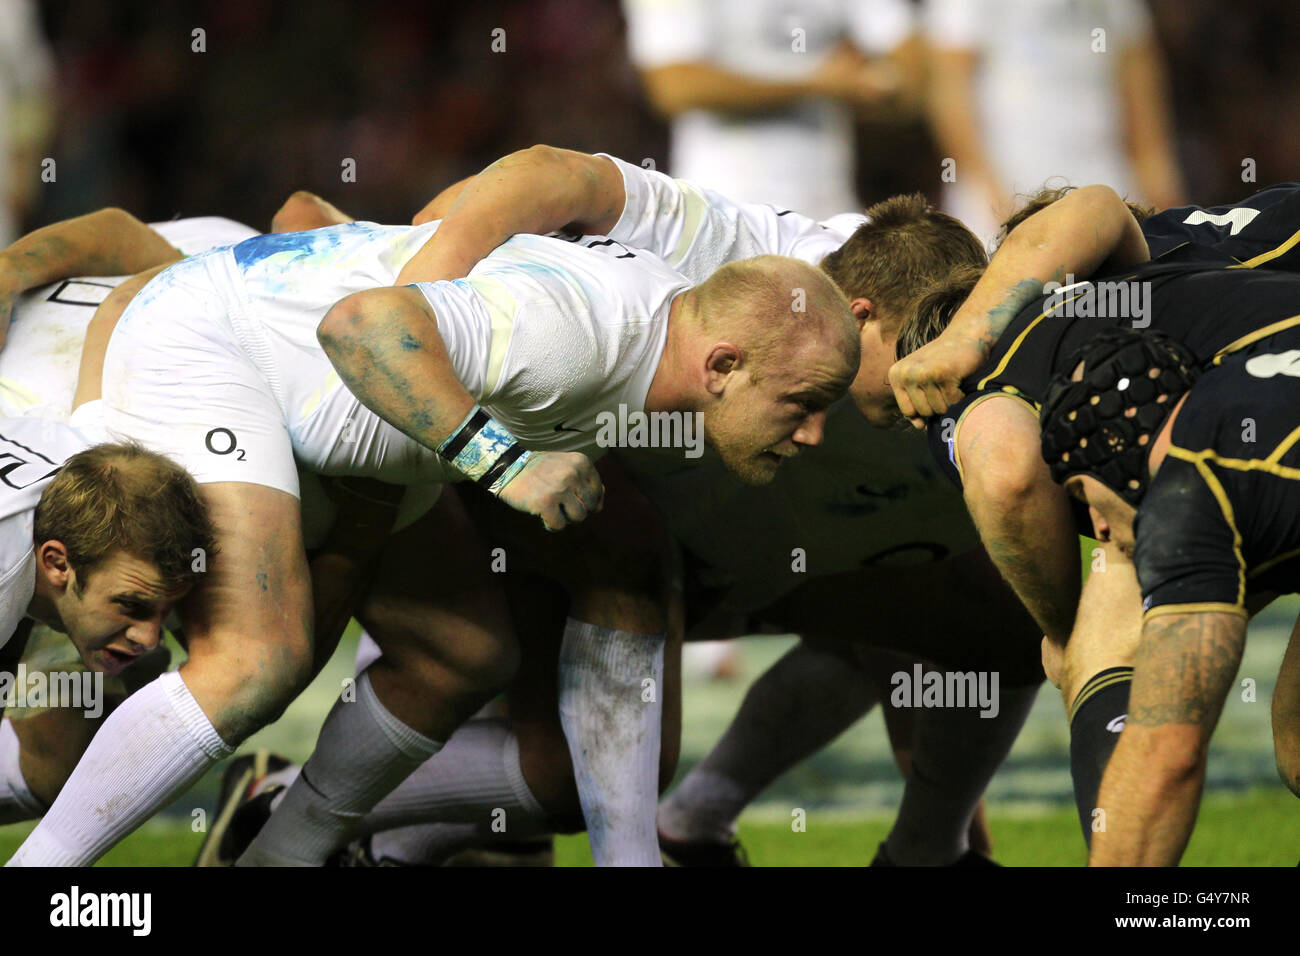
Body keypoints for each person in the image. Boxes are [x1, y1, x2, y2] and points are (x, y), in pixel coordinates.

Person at [7, 216, 857, 867]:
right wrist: (504, 462)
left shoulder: (667, 321)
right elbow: (358, 327)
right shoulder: (573, 336)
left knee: (466, 653)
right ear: (723, 365)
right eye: (805, 401)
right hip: (219, 351)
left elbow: (556, 172)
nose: (817, 432)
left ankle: (280, 854)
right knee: (254, 663)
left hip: (358, 422)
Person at [1038, 326, 1300, 864]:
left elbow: (1166, 751)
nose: (1100, 529)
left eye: (1087, 499)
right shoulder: (1247, 372)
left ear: (1112, 453)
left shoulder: (1188, 492)